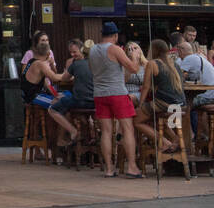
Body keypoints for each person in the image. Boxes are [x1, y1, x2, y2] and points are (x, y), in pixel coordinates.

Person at [89, 21, 142, 178]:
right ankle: (132, 167)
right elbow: (133, 69)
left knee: (106, 131)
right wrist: (135, 57)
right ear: (115, 35)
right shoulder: (115, 49)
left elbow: (93, 71)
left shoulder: (92, 50)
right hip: (117, 93)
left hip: (99, 93)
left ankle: (109, 169)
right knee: (127, 129)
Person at [134, 39, 186, 155]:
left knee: (137, 120)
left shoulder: (152, 63)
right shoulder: (174, 63)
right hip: (180, 103)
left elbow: (146, 87)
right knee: (158, 120)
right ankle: (175, 138)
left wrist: (141, 105)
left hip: (165, 103)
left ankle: (163, 142)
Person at [48, 41, 93, 146]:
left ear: (82, 50)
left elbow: (64, 78)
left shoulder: (75, 64)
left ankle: (73, 132)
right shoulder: (93, 63)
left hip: (80, 101)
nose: (72, 55)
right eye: (71, 53)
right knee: (74, 109)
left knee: (52, 109)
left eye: (74, 52)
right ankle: (87, 138)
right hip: (95, 102)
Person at [175, 39, 214, 135]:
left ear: (181, 51)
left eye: (178, 51)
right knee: (188, 105)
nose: (177, 54)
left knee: (182, 106)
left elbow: (177, 76)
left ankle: (187, 139)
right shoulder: (198, 57)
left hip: (208, 96)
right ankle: (198, 135)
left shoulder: (190, 58)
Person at [20, 31, 68, 110]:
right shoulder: (40, 63)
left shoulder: (34, 61)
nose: (46, 42)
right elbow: (54, 77)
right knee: (61, 104)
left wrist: (55, 94)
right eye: (43, 40)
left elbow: (46, 81)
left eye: (47, 40)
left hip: (39, 92)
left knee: (66, 95)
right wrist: (69, 75)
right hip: (34, 96)